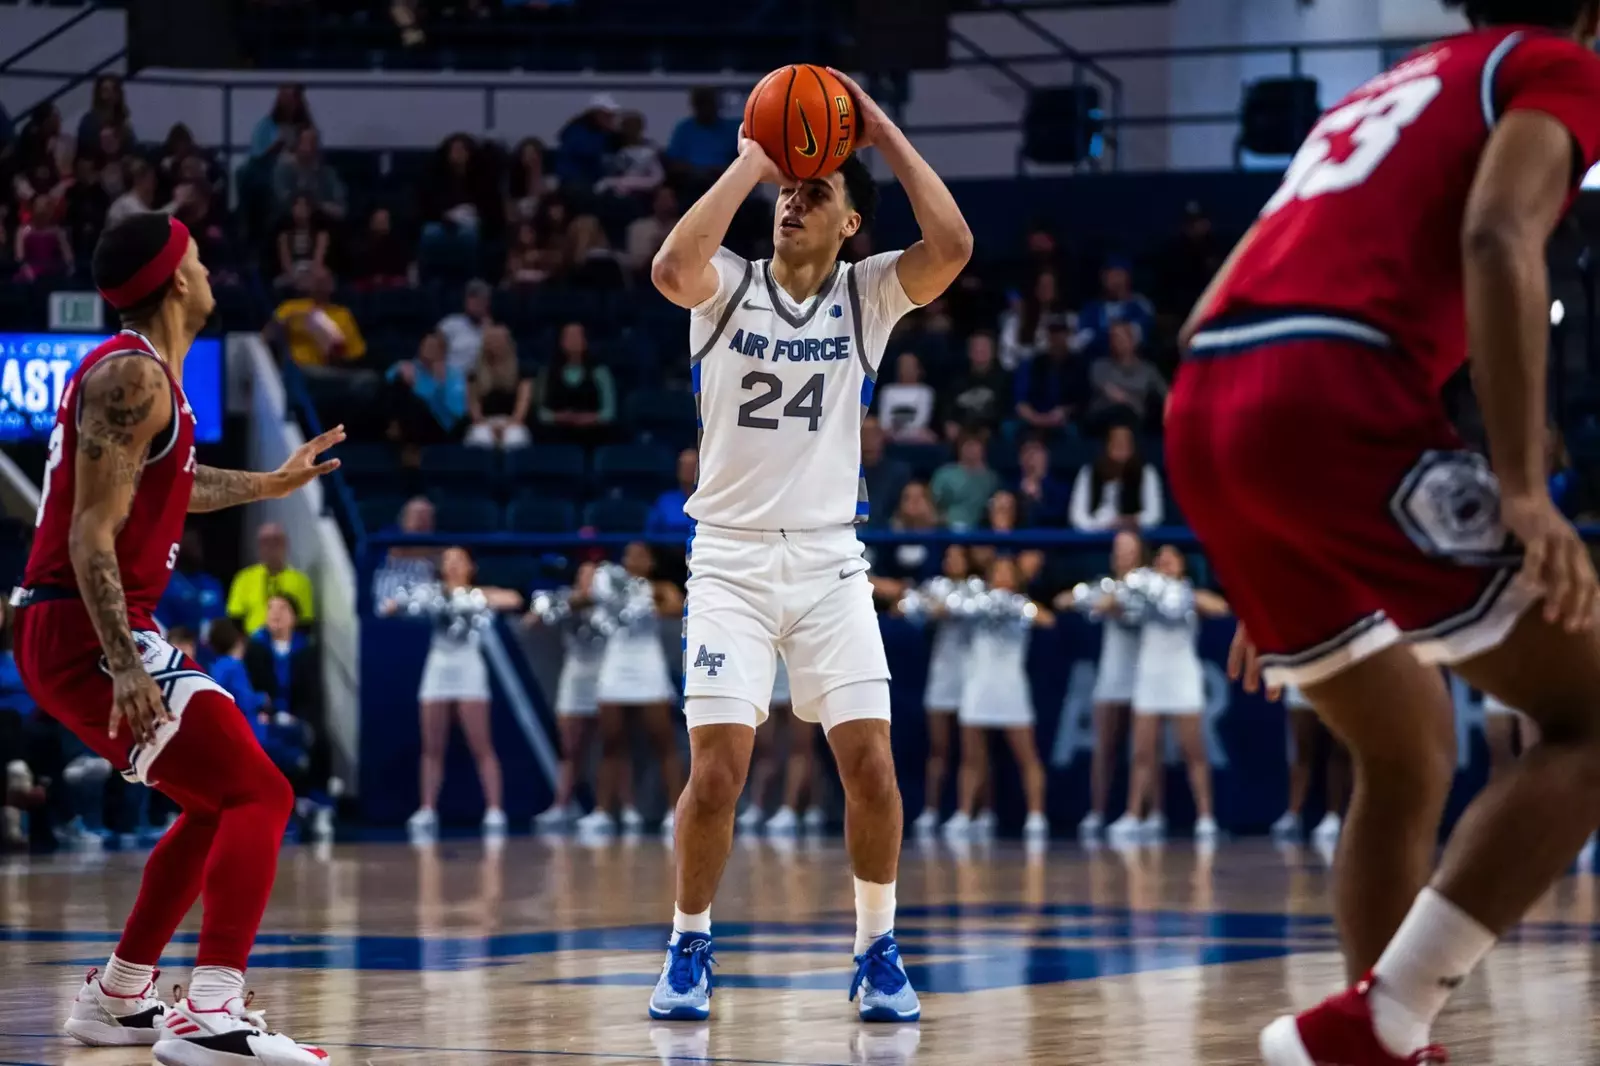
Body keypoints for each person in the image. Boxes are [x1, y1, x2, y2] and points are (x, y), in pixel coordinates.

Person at [1164, 4, 1600, 1062]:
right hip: (1329, 386)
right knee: (1589, 713)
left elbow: (1204, 314)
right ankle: (1381, 1017)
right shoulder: (1554, 66)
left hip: (1210, 401)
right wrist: (1519, 483)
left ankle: (1379, 1041)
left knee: (1403, 746)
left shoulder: (1387, 88)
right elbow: (1496, 235)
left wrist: (1269, 546)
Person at [648, 67, 970, 1023]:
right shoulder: (727, 288)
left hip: (831, 562)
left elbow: (952, 245)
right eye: (789, 191)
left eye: (815, 192)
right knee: (717, 774)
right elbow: (670, 269)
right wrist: (753, 158)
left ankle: (877, 950)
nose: (794, 201)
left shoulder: (868, 296)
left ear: (850, 222)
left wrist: (882, 133)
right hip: (732, 562)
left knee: (872, 765)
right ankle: (689, 943)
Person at [10, 212, 340, 1063]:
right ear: (172, 282)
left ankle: (120, 998)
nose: (207, 269)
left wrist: (273, 483)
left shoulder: (150, 381)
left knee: (214, 803)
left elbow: (173, 484)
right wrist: (123, 662)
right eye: (195, 258)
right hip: (82, 627)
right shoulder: (133, 377)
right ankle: (210, 1013)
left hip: (79, 627)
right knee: (260, 794)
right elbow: (90, 534)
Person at [388, 546, 522, 840]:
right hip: (438, 666)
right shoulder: (432, 594)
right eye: (448, 561)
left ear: (470, 567)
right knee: (432, 746)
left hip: (469, 666)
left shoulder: (477, 595)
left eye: (460, 560)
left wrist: (475, 597)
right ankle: (427, 808)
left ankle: (495, 809)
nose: (453, 565)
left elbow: (513, 599)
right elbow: (395, 603)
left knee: (481, 744)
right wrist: (396, 605)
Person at [1116, 546, 1229, 844]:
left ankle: (1206, 817)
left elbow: (1220, 607)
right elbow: (1106, 603)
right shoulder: (1143, 590)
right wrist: (1140, 589)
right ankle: (1136, 814)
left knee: (1193, 750)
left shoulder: (1188, 594)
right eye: (1160, 558)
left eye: (1172, 558)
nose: (1165, 562)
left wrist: (1181, 595)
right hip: (1150, 676)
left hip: (1182, 677)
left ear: (1183, 565)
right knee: (1142, 751)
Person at [951, 557, 1054, 841]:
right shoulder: (976, 603)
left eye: (1008, 572)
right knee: (972, 757)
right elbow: (944, 609)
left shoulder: (1022, 605)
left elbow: (1047, 620)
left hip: (1011, 688)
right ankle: (966, 813)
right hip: (979, 685)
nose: (1003, 577)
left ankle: (1036, 815)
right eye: (997, 572)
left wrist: (1017, 606)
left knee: (1027, 755)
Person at [587, 545, 684, 836]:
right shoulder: (610, 584)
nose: (635, 560)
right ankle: (603, 811)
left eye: (642, 556)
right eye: (629, 555)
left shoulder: (659, 587)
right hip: (616, 663)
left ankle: (675, 810)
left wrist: (647, 599)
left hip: (647, 665)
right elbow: (587, 599)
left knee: (664, 742)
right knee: (611, 741)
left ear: (652, 562)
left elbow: (676, 606)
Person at [1056, 529, 1146, 840]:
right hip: (1111, 674)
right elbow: (1068, 599)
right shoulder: (1106, 586)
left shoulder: (1149, 586)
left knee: (1144, 750)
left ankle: (1146, 814)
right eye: (1119, 550)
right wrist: (1084, 599)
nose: (1123, 555)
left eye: (1129, 549)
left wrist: (1112, 603)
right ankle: (1097, 812)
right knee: (1104, 747)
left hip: (1143, 674)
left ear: (1139, 553)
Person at [530, 563, 607, 829]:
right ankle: (562, 805)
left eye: (595, 576)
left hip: (606, 675)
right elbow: (532, 620)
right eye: (584, 575)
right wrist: (570, 603)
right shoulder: (566, 600)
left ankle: (604, 809)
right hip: (575, 677)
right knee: (570, 747)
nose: (589, 580)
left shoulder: (612, 600)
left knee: (609, 746)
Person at [909, 546, 975, 836]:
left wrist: (949, 608)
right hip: (941, 675)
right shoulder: (934, 588)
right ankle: (931, 810)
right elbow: (913, 610)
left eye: (959, 557)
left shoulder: (978, 591)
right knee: (939, 748)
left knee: (974, 751)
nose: (953, 562)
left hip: (972, 676)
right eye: (948, 557)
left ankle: (974, 812)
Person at [1271, 684, 1351, 847]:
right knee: (1302, 750)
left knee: (1337, 750)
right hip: (1302, 679)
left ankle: (1332, 816)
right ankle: (1294, 813)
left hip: (1336, 680)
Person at [1069, 424, 1163, 531]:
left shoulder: (1147, 472)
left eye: (1126, 442)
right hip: (1094, 536)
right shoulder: (1088, 472)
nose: (1121, 446)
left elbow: (1154, 516)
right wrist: (1103, 525)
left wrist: (1131, 521)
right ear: (1106, 445)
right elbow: (1077, 517)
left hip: (1134, 535)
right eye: (1116, 442)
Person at [536, 322, 617, 446]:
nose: (573, 341)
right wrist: (560, 417)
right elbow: (541, 412)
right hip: (557, 431)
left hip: (593, 431)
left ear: (585, 342)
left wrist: (588, 418)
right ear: (561, 342)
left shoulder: (601, 372)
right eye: (569, 337)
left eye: (577, 336)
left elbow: (609, 413)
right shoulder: (547, 372)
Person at [227, 523, 315, 635]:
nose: (271, 547)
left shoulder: (301, 581)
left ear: (285, 545)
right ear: (259, 547)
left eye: (276, 541)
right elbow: (234, 619)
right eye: (265, 542)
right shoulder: (244, 578)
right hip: (252, 645)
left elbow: (305, 623)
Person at [464, 326, 533, 451]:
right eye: (491, 340)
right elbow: (474, 410)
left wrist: (506, 426)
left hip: (512, 422)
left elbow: (521, 410)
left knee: (514, 439)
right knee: (480, 439)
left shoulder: (522, 373)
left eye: (499, 340)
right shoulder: (474, 374)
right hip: (484, 423)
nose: (495, 344)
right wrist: (490, 427)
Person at [930, 433, 1001, 530]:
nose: (972, 450)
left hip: (981, 529)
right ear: (960, 448)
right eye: (968, 445)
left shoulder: (992, 478)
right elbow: (932, 503)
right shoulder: (944, 474)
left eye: (975, 445)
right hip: (947, 527)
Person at [875, 352, 938, 443]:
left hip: (917, 434)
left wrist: (905, 433)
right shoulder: (888, 391)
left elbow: (921, 420)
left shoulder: (925, 392)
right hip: (890, 434)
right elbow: (884, 420)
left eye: (910, 366)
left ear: (919, 369)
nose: (907, 369)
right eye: (903, 366)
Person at [436, 279, 495, 377]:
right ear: (466, 300)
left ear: (487, 303)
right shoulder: (450, 323)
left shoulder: (493, 331)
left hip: (480, 380)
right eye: (473, 297)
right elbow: (433, 351)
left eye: (481, 298)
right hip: (450, 378)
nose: (477, 302)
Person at [647, 448, 698, 535]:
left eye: (692, 466)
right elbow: (651, 533)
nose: (688, 470)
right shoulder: (665, 500)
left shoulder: (710, 500)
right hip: (667, 547)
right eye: (684, 466)